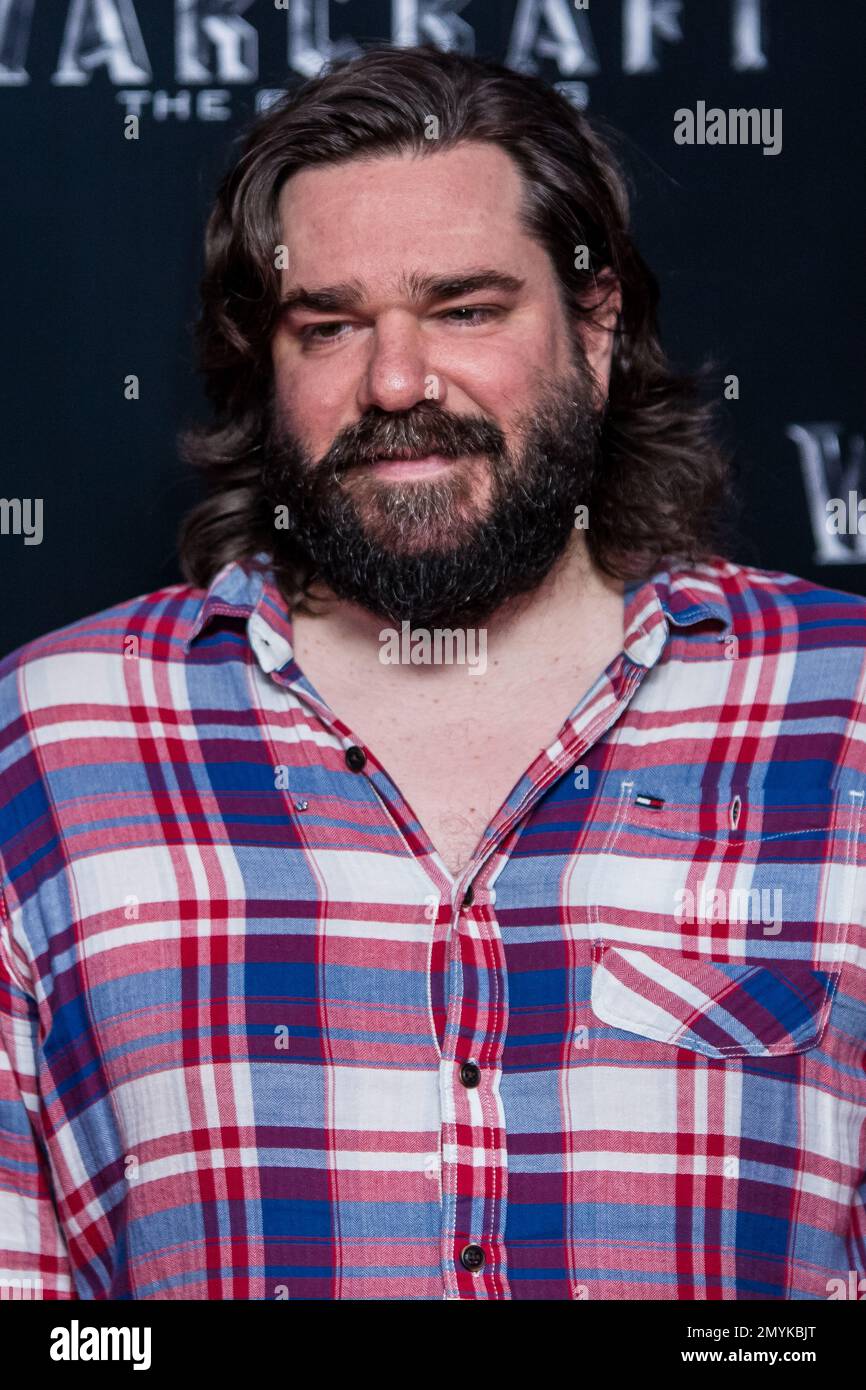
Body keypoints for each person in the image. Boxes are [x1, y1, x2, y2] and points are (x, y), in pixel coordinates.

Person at [0, 43, 863, 1302]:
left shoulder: (838, 713)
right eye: (331, 325)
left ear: (596, 323)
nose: (395, 382)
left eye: (465, 308)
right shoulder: (55, 743)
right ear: (265, 359)